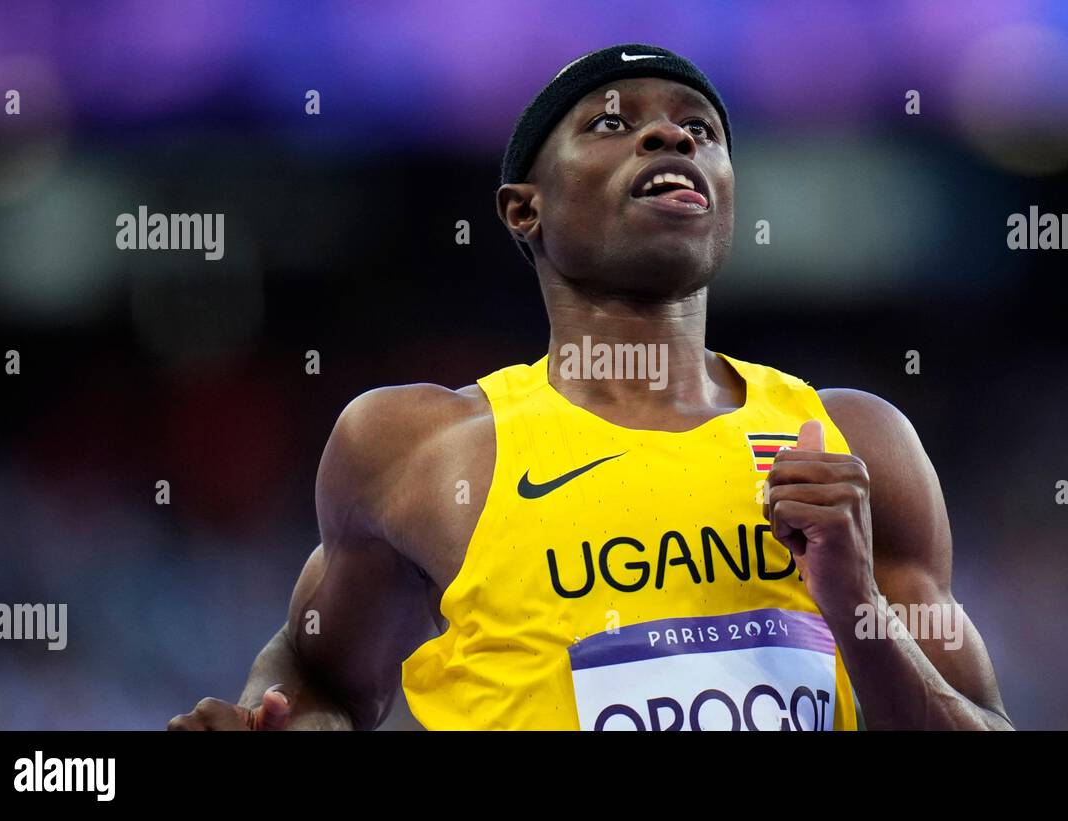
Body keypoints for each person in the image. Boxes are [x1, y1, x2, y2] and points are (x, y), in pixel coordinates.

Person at [168, 43, 1011, 731]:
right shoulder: (416, 448)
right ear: (522, 210)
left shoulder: (853, 442)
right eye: (613, 123)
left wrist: (858, 608)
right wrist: (271, 720)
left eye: (700, 130)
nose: (670, 139)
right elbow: (319, 670)